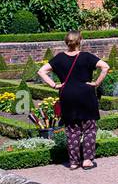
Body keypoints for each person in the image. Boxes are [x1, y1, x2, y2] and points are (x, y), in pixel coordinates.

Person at [38, 32, 109, 171]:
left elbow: (41, 71)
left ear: (67, 42)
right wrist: (96, 83)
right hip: (85, 94)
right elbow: (105, 67)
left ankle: (74, 162)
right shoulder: (86, 57)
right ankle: (87, 160)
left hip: (67, 95)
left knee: (72, 130)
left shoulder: (59, 58)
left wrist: (54, 85)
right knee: (89, 128)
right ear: (80, 41)